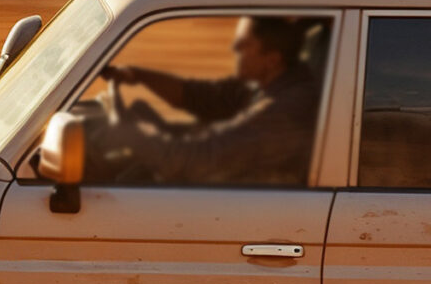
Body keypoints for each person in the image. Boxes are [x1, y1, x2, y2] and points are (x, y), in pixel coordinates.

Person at [87, 15, 322, 186]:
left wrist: (132, 134)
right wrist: (136, 75)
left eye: (245, 44)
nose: (234, 46)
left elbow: (199, 159)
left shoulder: (285, 110)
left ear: (271, 59)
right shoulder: (271, 82)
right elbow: (201, 96)